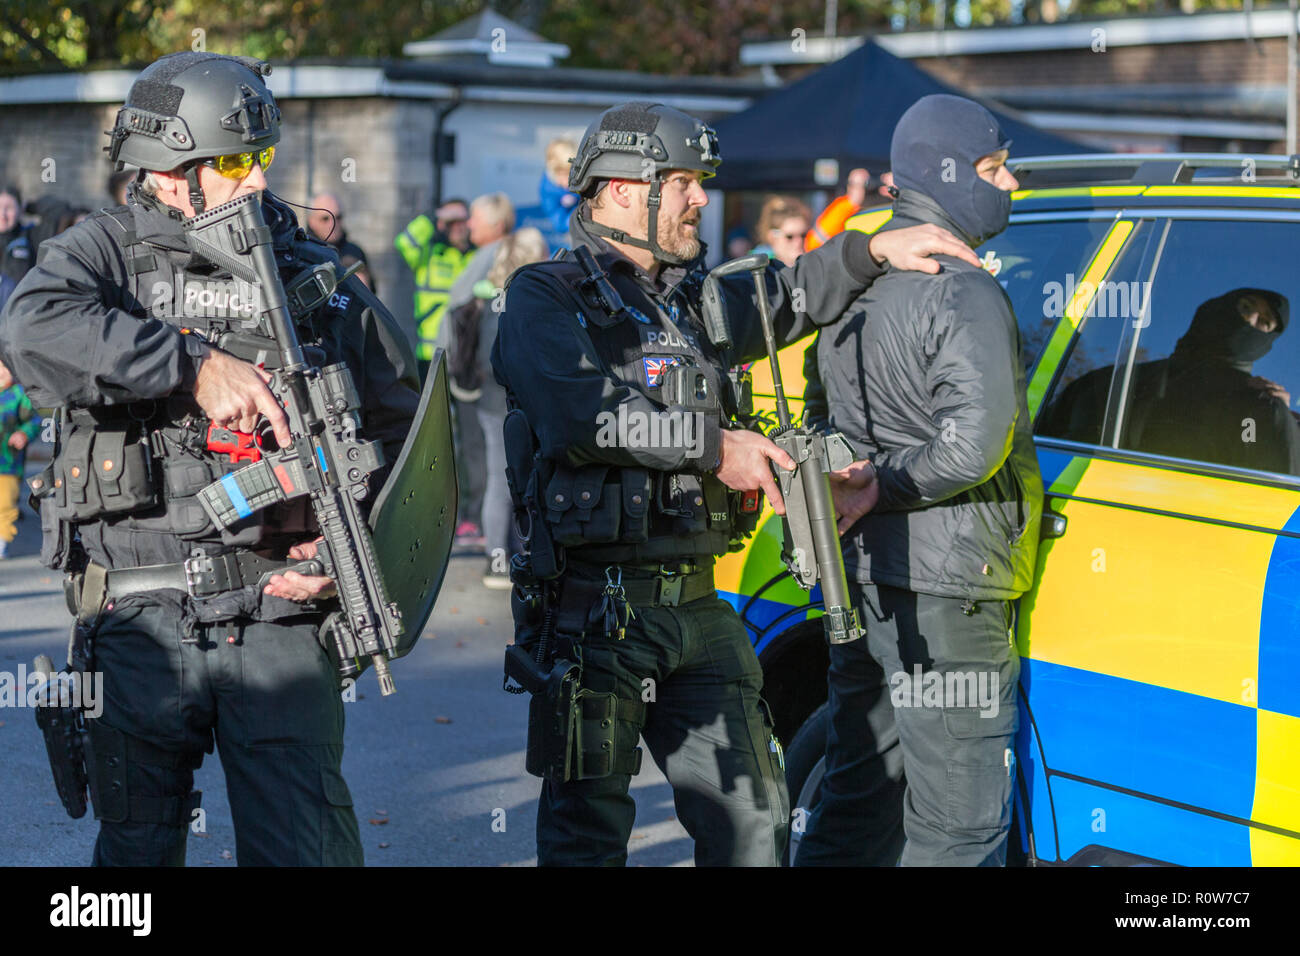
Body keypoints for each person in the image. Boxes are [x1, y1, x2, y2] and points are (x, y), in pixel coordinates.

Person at [491, 100, 980, 867]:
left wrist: (876, 248)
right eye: (681, 182)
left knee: (756, 824)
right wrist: (715, 447)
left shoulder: (689, 300)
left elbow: (790, 294)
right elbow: (581, 418)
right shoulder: (543, 298)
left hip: (697, 605)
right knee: (589, 834)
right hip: (596, 615)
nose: (699, 199)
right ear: (621, 190)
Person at [0, 52, 420, 867]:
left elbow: (404, 435)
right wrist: (191, 365)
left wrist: (349, 553)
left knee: (307, 852)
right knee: (133, 863)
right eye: (231, 162)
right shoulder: (103, 255)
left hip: (282, 624)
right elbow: (31, 329)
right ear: (165, 169)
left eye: (260, 159)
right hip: (139, 621)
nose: (256, 182)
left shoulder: (312, 273)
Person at [795, 94, 1043, 868]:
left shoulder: (853, 280)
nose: (1008, 185)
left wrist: (863, 487)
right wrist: (887, 485)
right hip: (950, 594)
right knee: (957, 827)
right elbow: (974, 445)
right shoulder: (964, 288)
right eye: (994, 168)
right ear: (945, 171)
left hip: (863, 579)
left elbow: (819, 413)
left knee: (857, 798)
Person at [1041, 288, 1300, 474]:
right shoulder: (1109, 383)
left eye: (1264, 322)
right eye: (1245, 308)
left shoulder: (1254, 411)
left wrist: (1278, 419)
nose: (1249, 322)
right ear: (1218, 306)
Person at [444, 226, 550, 588]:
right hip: (506, 403)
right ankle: (500, 560)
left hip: (497, 401)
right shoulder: (511, 301)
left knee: (506, 479)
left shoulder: (494, 297)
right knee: (504, 481)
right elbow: (498, 360)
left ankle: (508, 555)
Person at [441, 192, 516, 548]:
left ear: (496, 225)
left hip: (478, 379)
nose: (468, 224)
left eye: (475, 218)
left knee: (479, 450)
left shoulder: (496, 256)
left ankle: (478, 524)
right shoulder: (486, 254)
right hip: (475, 375)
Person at [396, 197, 474, 377]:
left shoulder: (477, 256)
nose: (457, 226)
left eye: (461, 220)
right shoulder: (429, 254)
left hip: (467, 354)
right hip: (432, 354)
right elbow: (404, 242)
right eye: (451, 221)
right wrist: (435, 215)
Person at [0, 274, 39, 560]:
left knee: (6, 503)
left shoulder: (19, 396)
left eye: (5, 369)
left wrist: (25, 433)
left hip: (8, 462)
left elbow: (35, 420)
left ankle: (2, 539)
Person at [306, 192, 373, 290]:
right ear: (311, 221)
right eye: (325, 218)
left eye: (338, 217)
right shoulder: (302, 252)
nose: (333, 224)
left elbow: (370, 295)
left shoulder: (354, 252)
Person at [805, 167, 870, 252]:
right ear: (850, 187)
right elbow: (816, 242)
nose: (865, 190)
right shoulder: (843, 207)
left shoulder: (849, 206)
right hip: (820, 255)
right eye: (864, 185)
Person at [751, 195, 813, 267]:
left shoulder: (816, 266)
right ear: (772, 237)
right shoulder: (757, 269)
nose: (799, 242)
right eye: (789, 236)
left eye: (804, 235)